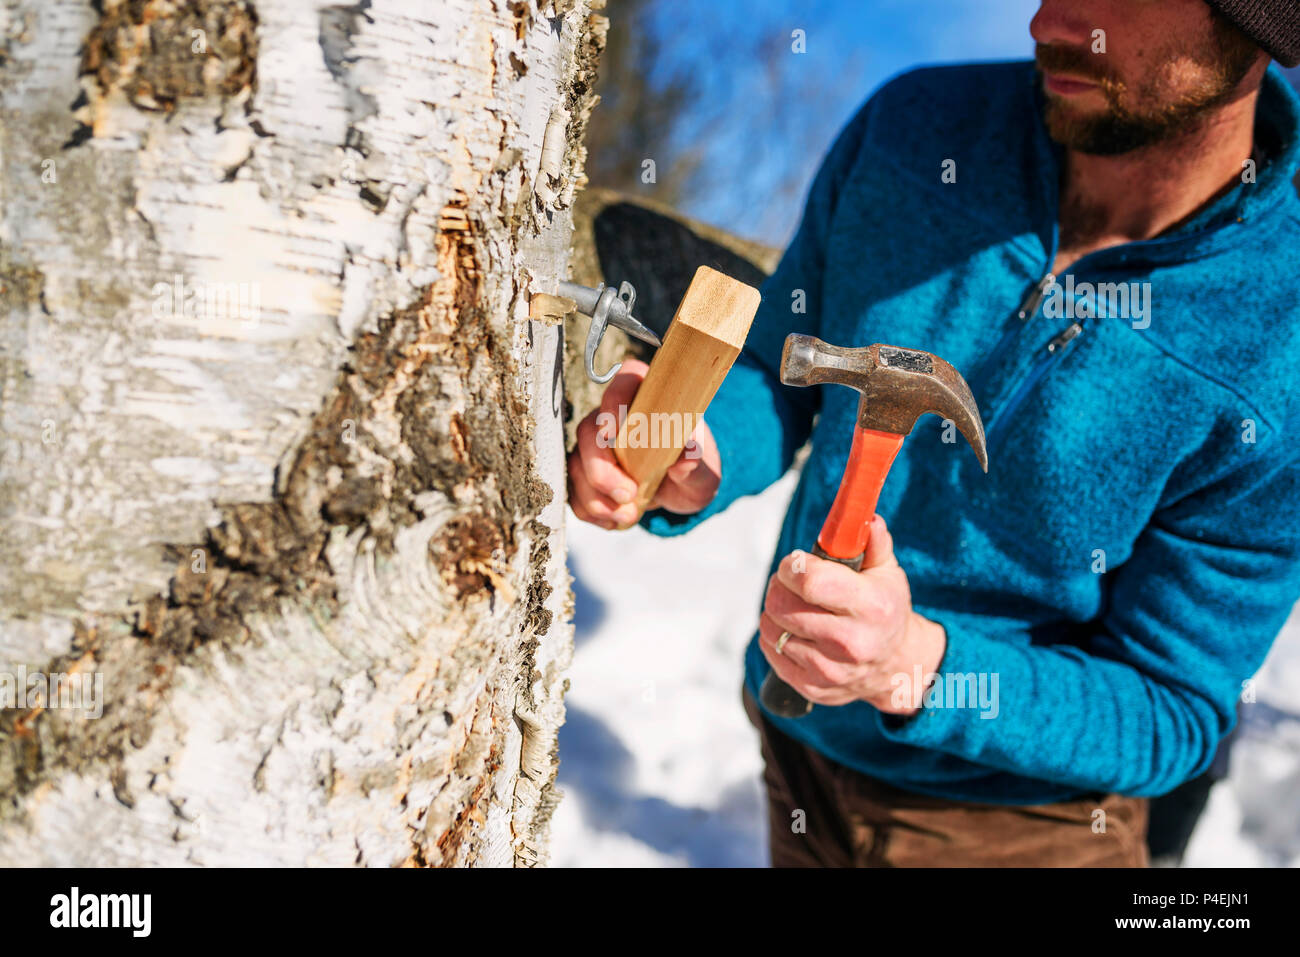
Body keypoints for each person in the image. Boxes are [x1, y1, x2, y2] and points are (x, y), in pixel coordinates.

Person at [567, 0, 1300, 866]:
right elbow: (778, 364)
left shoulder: (1280, 335)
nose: (1048, 19)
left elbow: (1172, 705)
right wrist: (697, 447)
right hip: (796, 744)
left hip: (1027, 831)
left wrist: (914, 665)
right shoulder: (912, 131)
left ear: (1261, 28)